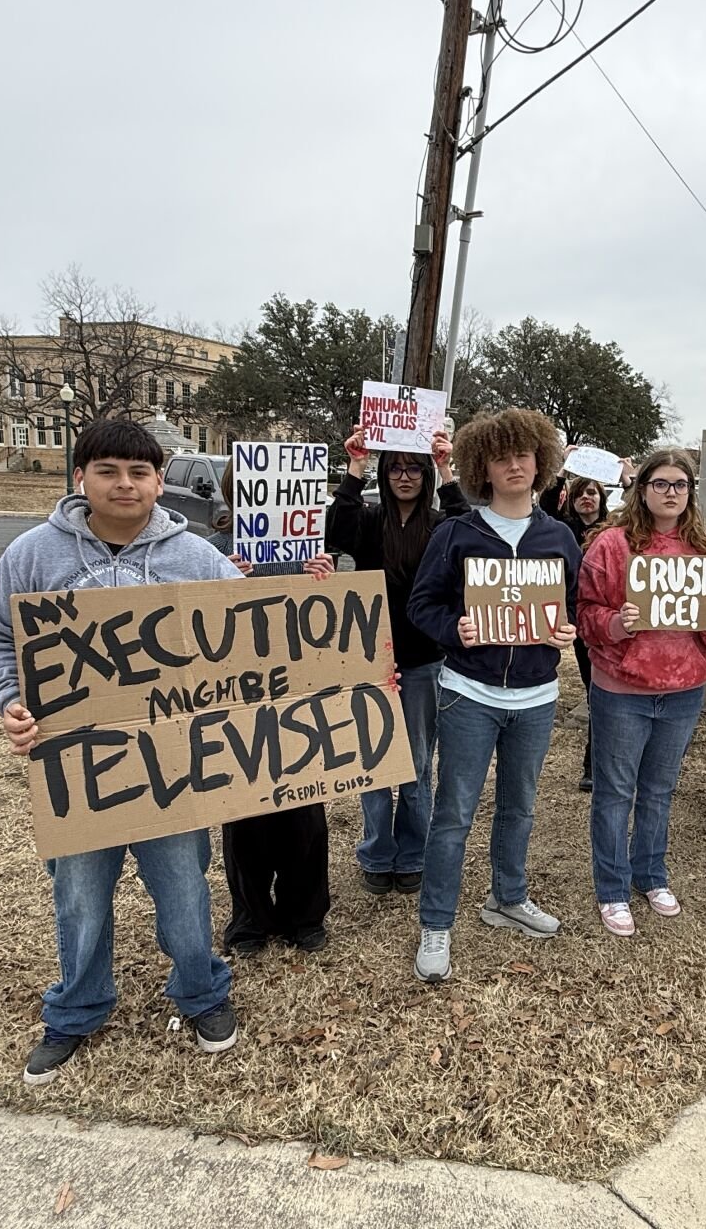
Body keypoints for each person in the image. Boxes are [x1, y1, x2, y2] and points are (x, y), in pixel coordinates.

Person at [0, 419, 240, 1086]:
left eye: (140, 473)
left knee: (183, 891)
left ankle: (201, 993)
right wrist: (10, 699)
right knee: (80, 899)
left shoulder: (197, 556)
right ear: (80, 477)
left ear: (159, 480)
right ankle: (77, 1008)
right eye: (109, 471)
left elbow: (251, 628)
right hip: (76, 771)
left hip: (172, 769)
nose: (125, 484)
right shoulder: (33, 553)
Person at [406, 408, 582, 984]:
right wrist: (454, 626)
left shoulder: (559, 537)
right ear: (483, 465)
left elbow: (573, 607)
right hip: (467, 694)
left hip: (535, 697)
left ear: (541, 462)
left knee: (521, 808)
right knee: (453, 814)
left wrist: (567, 630)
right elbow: (421, 606)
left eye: (523, 455)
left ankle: (508, 897)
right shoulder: (456, 532)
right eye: (501, 456)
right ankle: (437, 921)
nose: (513, 465)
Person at [577, 449, 706, 935]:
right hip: (622, 689)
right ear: (641, 488)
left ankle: (651, 875)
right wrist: (614, 623)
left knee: (659, 791)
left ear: (691, 492)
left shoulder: (705, 549)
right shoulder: (611, 546)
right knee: (615, 792)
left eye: (680, 485)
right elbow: (583, 615)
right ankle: (612, 887)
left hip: (684, 689)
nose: (671, 493)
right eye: (661, 483)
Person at [327, 424, 466, 896]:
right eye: (395, 468)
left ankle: (413, 851)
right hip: (369, 658)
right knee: (372, 761)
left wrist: (447, 468)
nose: (404, 477)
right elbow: (337, 527)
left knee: (415, 762)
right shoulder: (368, 520)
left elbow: (468, 525)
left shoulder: (441, 526)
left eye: (413, 468)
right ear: (384, 474)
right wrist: (355, 466)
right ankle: (376, 852)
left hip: (424, 659)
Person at [207, 461, 336, 956]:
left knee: (304, 809)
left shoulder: (311, 553)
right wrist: (220, 584)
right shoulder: (212, 551)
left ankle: (305, 915)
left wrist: (323, 582)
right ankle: (250, 920)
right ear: (236, 497)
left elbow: (333, 624)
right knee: (245, 814)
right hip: (235, 700)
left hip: (299, 695)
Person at [552, 475, 610, 792]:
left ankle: (596, 764)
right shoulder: (563, 531)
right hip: (578, 623)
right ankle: (592, 766)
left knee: (603, 696)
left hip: (609, 621)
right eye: (580, 494)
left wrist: (629, 481)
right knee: (593, 692)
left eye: (593, 492)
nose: (587, 497)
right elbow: (547, 505)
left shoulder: (615, 529)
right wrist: (561, 472)